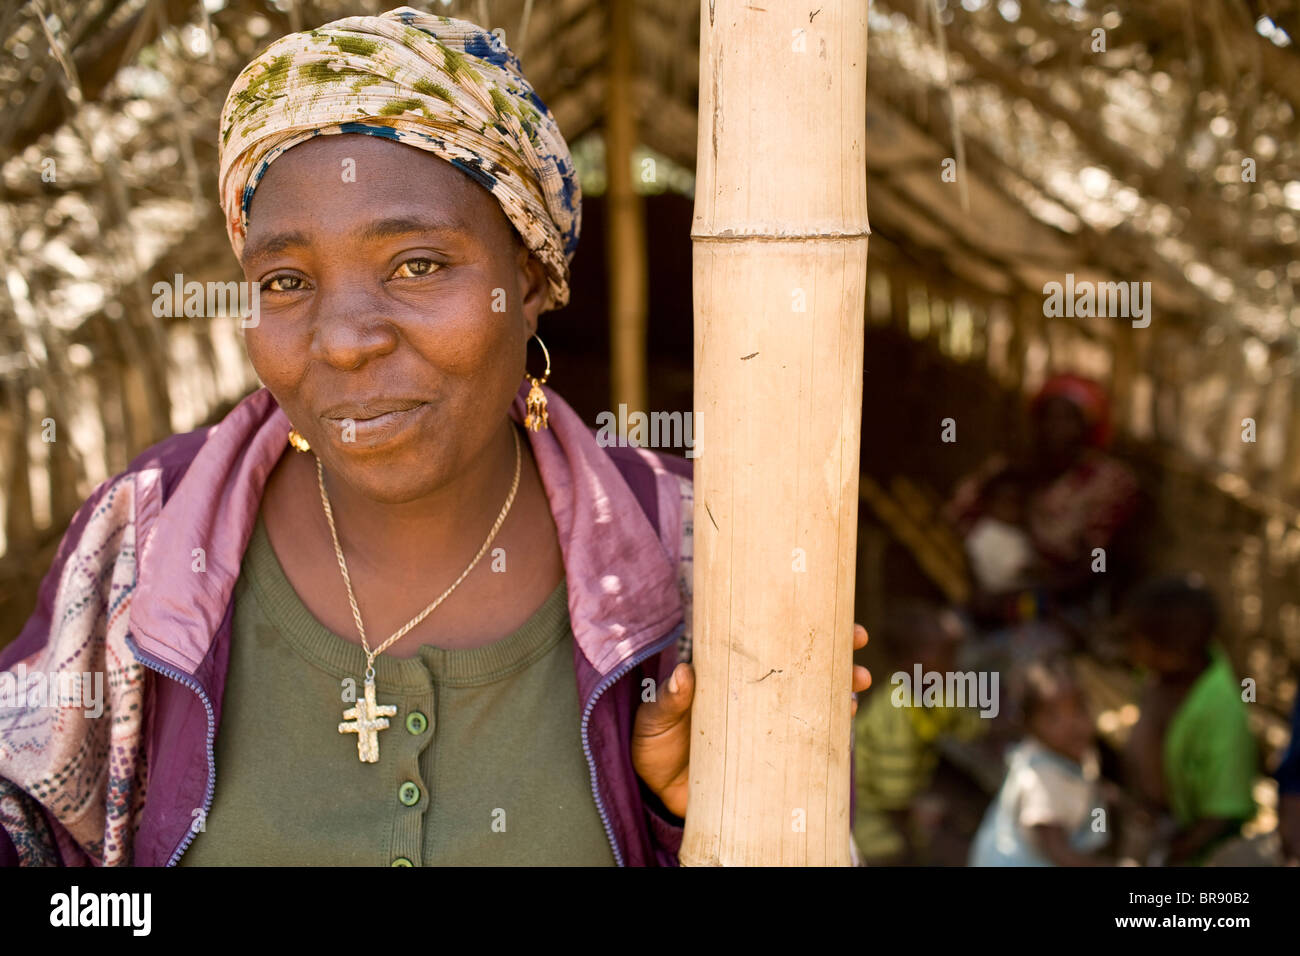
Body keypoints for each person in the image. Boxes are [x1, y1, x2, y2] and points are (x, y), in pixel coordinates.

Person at [0, 8, 870, 866]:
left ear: (527, 279)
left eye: (417, 265)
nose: (345, 339)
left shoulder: (691, 547)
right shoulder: (148, 539)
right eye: (287, 280)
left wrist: (688, 823)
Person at [949, 374, 1140, 634]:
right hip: (994, 587)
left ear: (1089, 426)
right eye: (1047, 417)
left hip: (1062, 601)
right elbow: (961, 514)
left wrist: (1018, 595)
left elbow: (1093, 567)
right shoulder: (1013, 468)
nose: (1055, 428)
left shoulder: (1108, 483)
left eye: (1068, 419)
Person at [1120, 575, 1257, 866]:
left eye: (1135, 639)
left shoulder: (1221, 712)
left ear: (1170, 652)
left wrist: (1175, 854)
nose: (1128, 646)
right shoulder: (1160, 677)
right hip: (1154, 821)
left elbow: (1223, 812)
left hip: (1193, 846)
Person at [853, 602, 985, 864]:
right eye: (942, 655)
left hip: (909, 800)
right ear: (906, 663)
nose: (952, 665)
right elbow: (894, 803)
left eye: (953, 653)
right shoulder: (892, 721)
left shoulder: (937, 691)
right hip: (874, 828)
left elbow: (969, 726)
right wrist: (917, 851)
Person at [969, 659, 1111, 866]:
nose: (1072, 725)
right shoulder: (1041, 784)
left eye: (1079, 709)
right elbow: (1059, 854)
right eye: (1053, 717)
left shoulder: (1078, 751)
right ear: (1029, 726)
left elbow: (1090, 791)